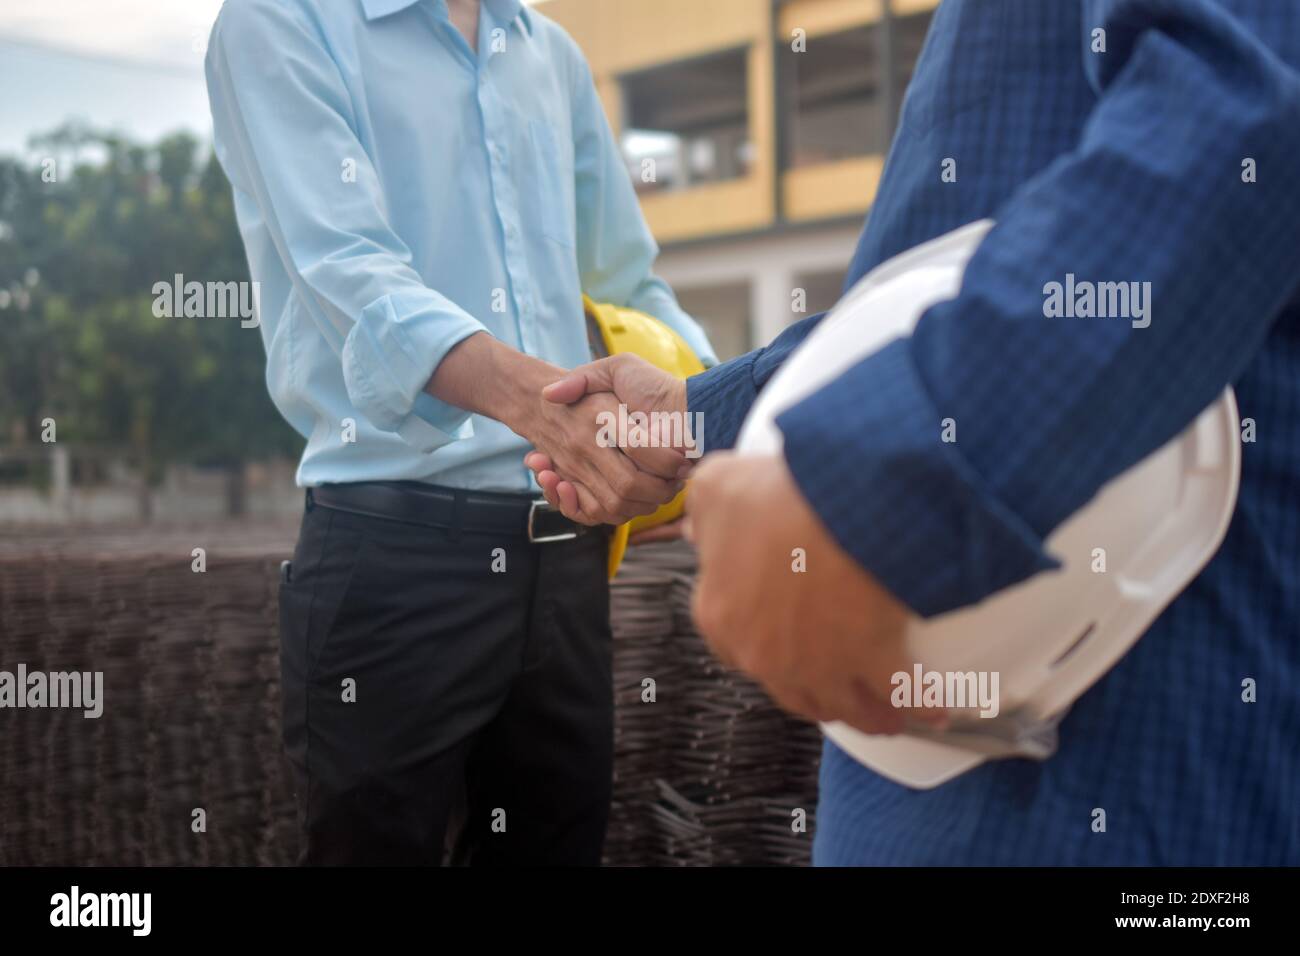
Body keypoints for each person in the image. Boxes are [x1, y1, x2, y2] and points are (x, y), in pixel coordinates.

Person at [528, 0, 1300, 865]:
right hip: (1009, 698)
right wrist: (696, 415)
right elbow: (957, 280)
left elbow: (1245, 116)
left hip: (1108, 708)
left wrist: (876, 492)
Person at [205, 0, 715, 865]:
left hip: (569, 553)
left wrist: (707, 423)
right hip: (393, 557)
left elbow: (630, 283)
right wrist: (555, 413)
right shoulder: (277, 21)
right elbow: (351, 273)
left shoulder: (548, 53)